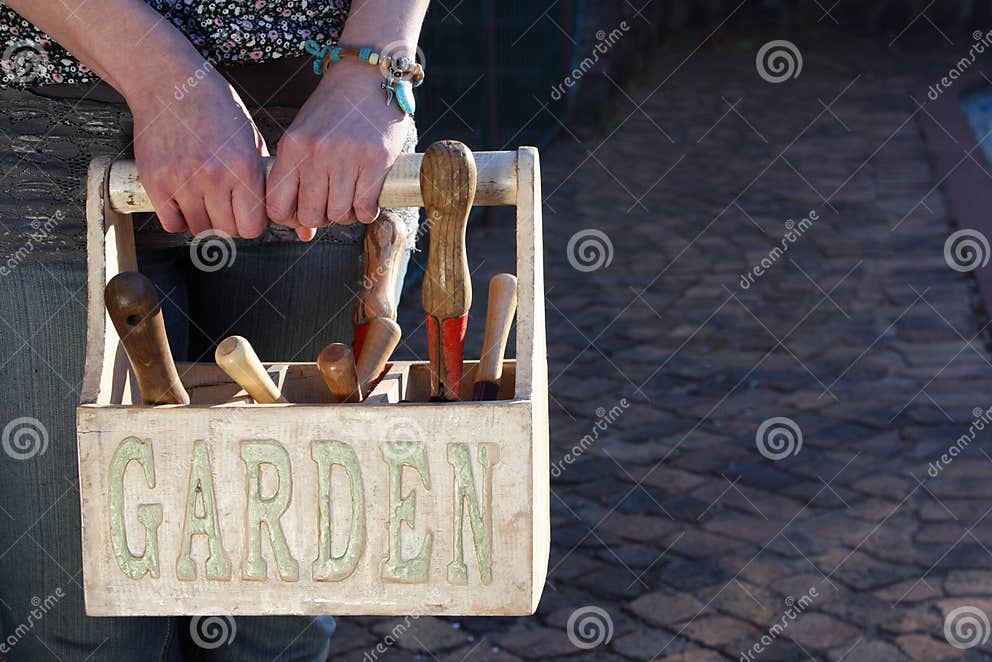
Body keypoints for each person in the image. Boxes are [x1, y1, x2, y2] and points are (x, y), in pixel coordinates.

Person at [0, 0, 428, 659]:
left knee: (275, 610)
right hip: (44, 109)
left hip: (312, 118)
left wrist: (375, 62)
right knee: (84, 631)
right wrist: (160, 77)